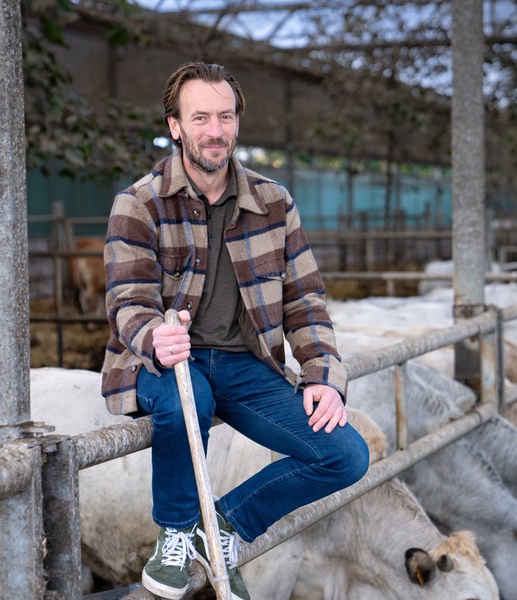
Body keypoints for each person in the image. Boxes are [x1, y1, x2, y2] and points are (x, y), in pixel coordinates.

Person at [100, 61, 370, 600]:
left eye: (225, 116)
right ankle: (173, 533)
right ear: (176, 126)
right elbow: (126, 298)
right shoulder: (140, 202)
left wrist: (321, 374)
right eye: (200, 117)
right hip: (164, 362)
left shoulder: (273, 202)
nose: (215, 130)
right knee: (188, 401)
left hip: (246, 364)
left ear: (238, 123)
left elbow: (305, 299)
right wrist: (154, 334)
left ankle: (220, 525)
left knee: (346, 455)